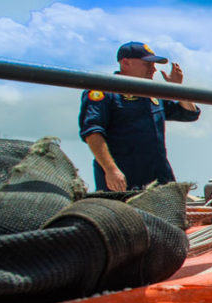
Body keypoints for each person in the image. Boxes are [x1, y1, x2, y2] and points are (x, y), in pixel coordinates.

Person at [79, 41, 199, 191]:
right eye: (147, 64)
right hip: (123, 183)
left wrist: (178, 89)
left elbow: (189, 113)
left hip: (160, 181)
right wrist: (111, 170)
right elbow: (92, 133)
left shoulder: (153, 92)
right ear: (125, 62)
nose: (153, 69)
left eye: (154, 65)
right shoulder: (104, 91)